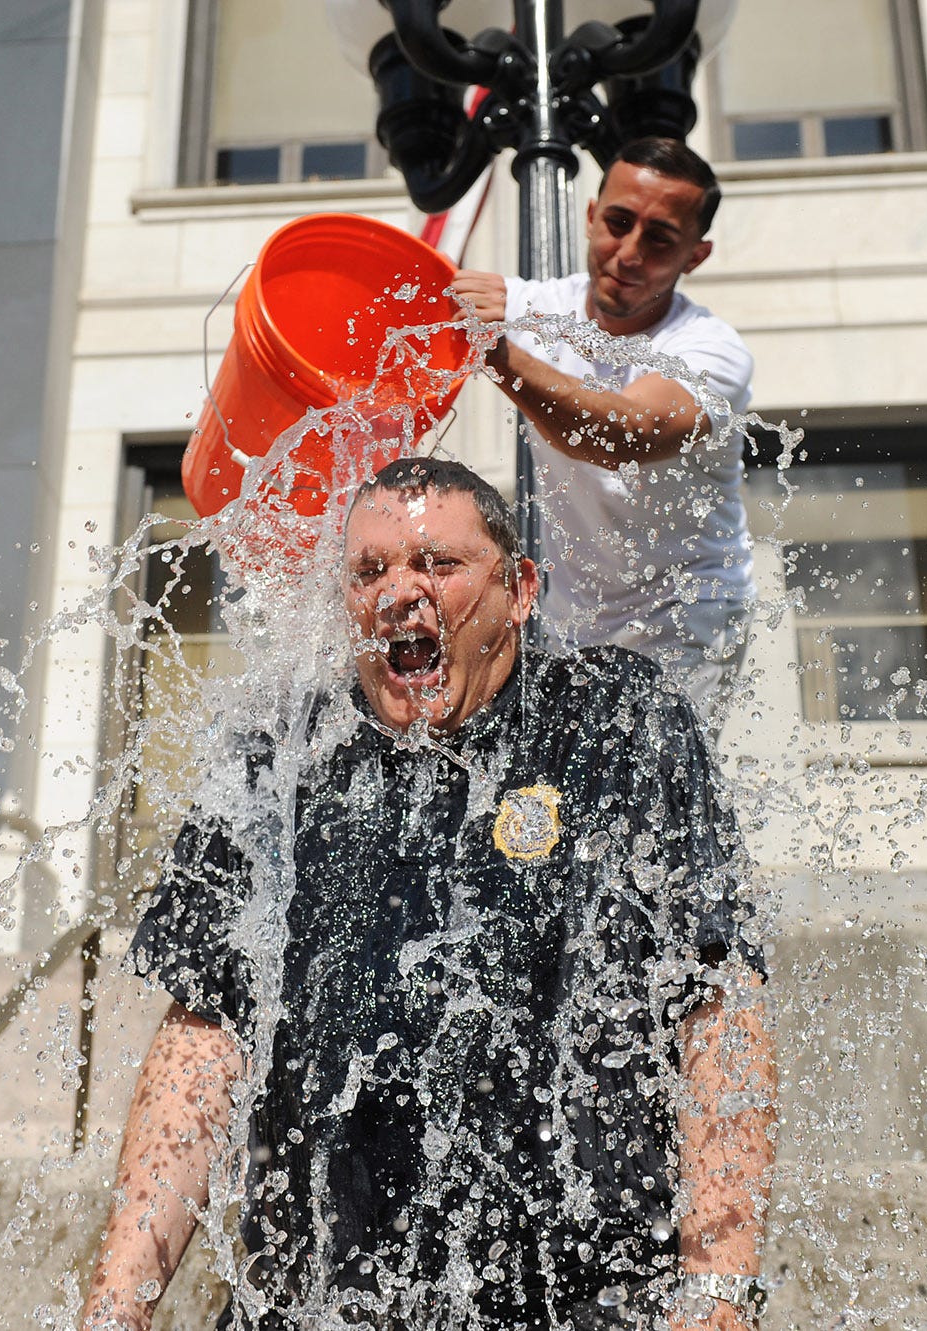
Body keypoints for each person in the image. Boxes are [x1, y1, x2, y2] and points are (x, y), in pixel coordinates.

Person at [79, 457, 776, 1331]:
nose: (401, 594)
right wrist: (116, 1308)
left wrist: (717, 1289)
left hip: (583, 1299)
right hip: (323, 1301)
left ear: (520, 588)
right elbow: (202, 1046)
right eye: (370, 572)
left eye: (438, 565)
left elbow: (716, 999)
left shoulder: (618, 723)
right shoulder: (279, 756)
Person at [449, 137, 754, 734]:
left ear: (696, 255)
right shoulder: (527, 307)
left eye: (660, 239)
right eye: (618, 222)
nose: (630, 252)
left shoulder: (713, 353)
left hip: (687, 611)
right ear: (591, 217)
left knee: (652, 795)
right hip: (570, 616)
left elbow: (622, 434)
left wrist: (501, 357)